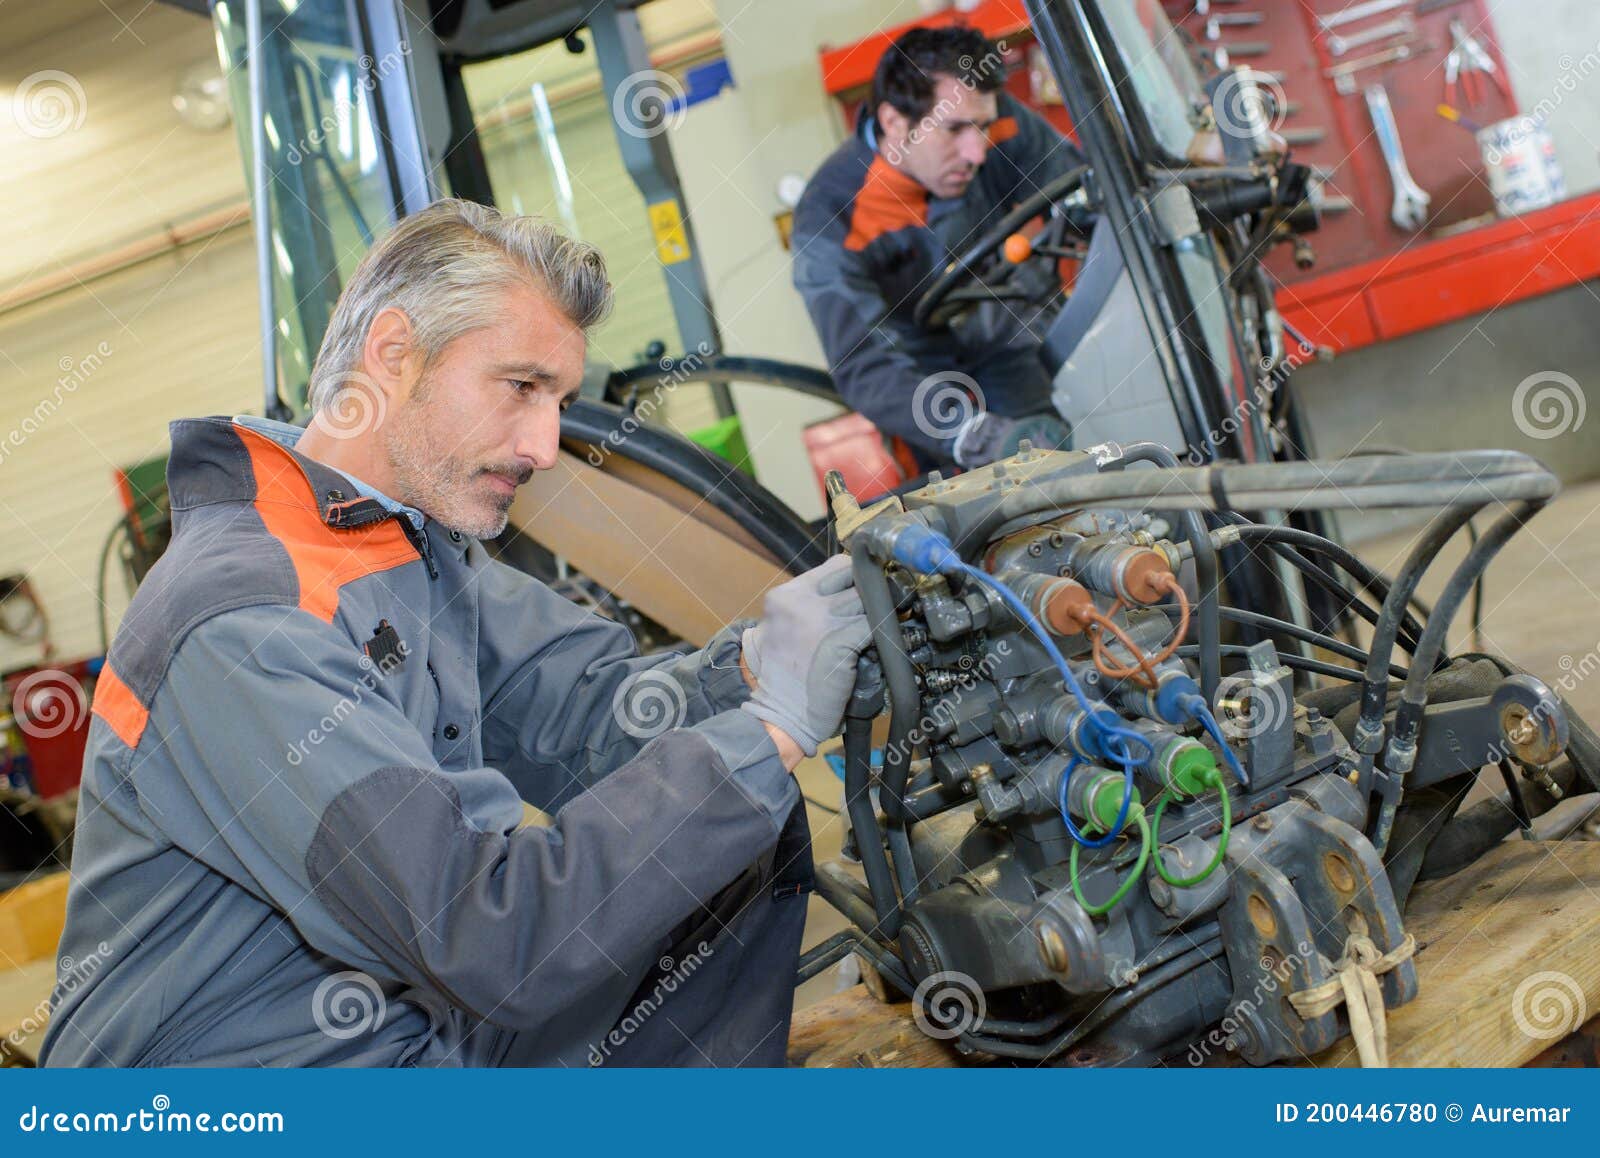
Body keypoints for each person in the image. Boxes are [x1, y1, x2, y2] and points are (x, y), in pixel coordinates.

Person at [40, 199, 870, 1068]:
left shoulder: (399, 550)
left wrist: (756, 665)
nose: (547, 444)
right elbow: (483, 933)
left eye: (560, 400)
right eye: (520, 387)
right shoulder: (245, 618)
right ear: (394, 354)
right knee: (718, 807)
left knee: (723, 848)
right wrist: (769, 730)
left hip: (407, 1034)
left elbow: (588, 718)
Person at [792, 25, 1082, 473]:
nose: (977, 152)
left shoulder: (998, 121)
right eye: (954, 130)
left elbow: (1085, 195)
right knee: (991, 513)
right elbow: (862, 362)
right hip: (927, 393)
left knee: (1087, 462)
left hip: (1015, 342)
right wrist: (972, 435)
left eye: (983, 127)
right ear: (893, 123)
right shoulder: (831, 217)